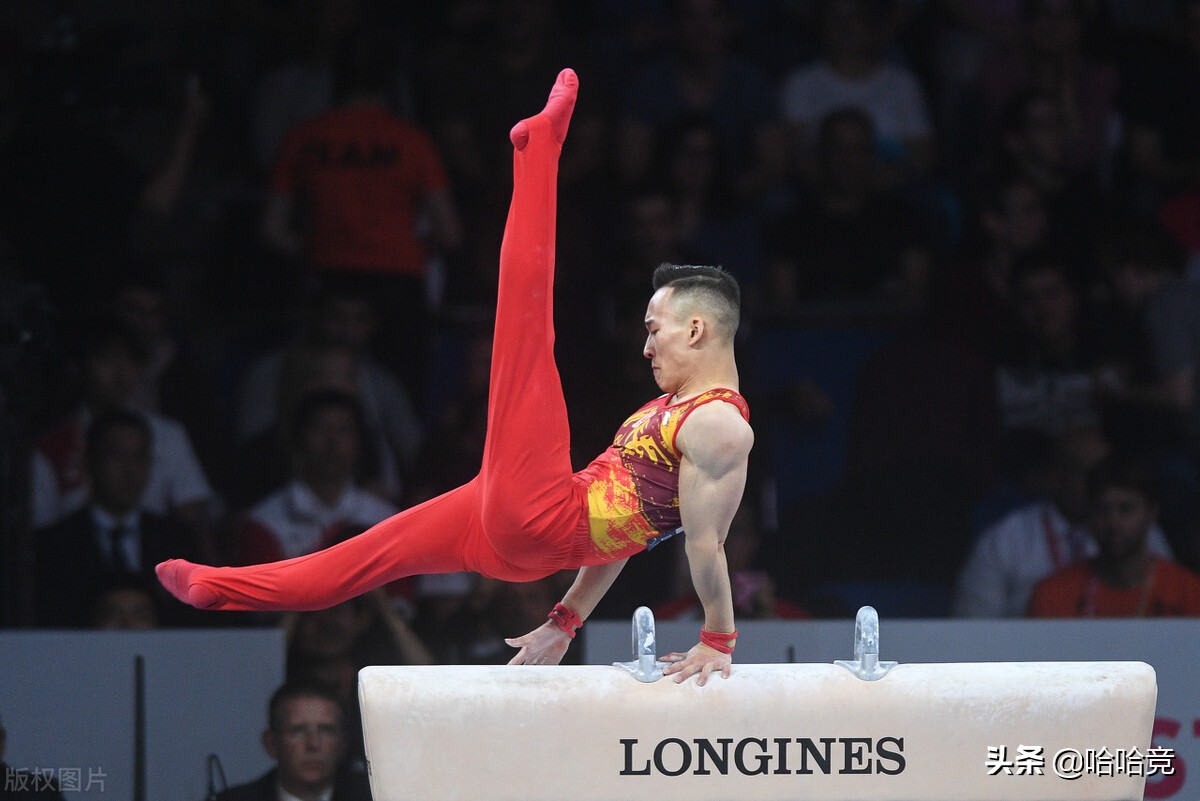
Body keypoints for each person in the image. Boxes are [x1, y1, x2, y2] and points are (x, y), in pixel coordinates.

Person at [157, 69, 753, 685]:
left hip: (539, 516)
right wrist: (565, 620)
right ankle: (216, 587)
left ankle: (539, 150)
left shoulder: (717, 426)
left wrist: (718, 641)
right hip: (516, 529)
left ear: (698, 330)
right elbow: (627, 535)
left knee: (526, 325)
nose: (646, 344)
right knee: (360, 561)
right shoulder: (677, 410)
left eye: (655, 329)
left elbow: (705, 547)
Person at [33, 411, 200, 627]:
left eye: (139, 457)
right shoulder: (51, 545)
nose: (129, 471)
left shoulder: (179, 542)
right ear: (89, 464)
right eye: (116, 457)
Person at [1027, 456, 1200, 617]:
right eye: (1102, 510)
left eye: (1126, 509)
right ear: (1089, 514)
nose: (1113, 522)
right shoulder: (1052, 595)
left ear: (1151, 514)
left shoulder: (1189, 592)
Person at [214, 682, 371, 801]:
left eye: (326, 730)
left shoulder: (375, 797)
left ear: (343, 743)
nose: (313, 744)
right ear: (271, 744)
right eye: (298, 730)